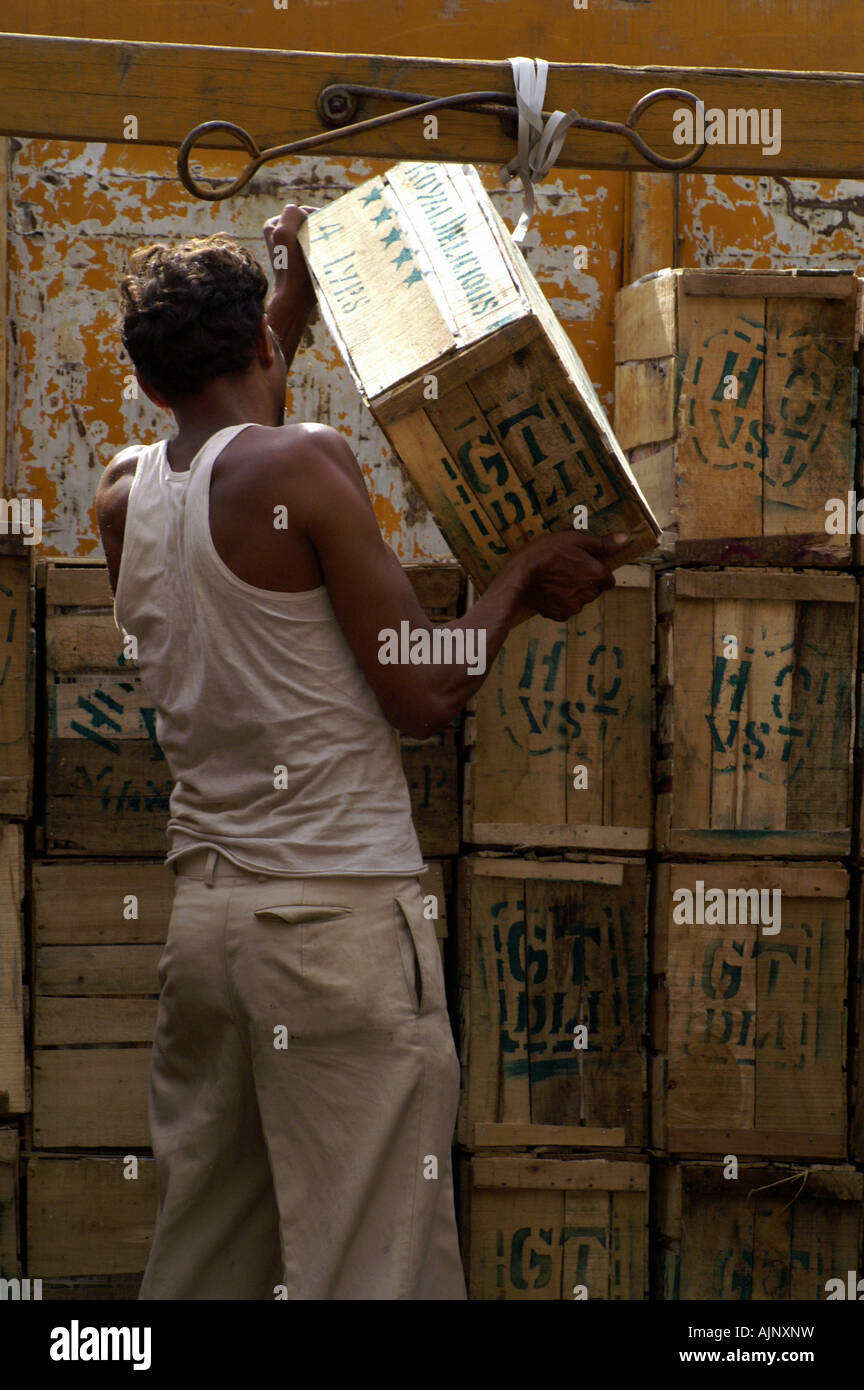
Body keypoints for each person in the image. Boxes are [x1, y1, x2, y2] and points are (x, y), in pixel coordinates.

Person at [95, 202, 630, 1301]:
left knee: (208, 1257)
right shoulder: (309, 466)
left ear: (151, 386)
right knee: (371, 1262)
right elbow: (426, 687)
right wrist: (520, 579)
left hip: (208, 932)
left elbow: (233, 437)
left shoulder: (121, 496)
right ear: (259, 348)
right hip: (331, 930)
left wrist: (287, 289)